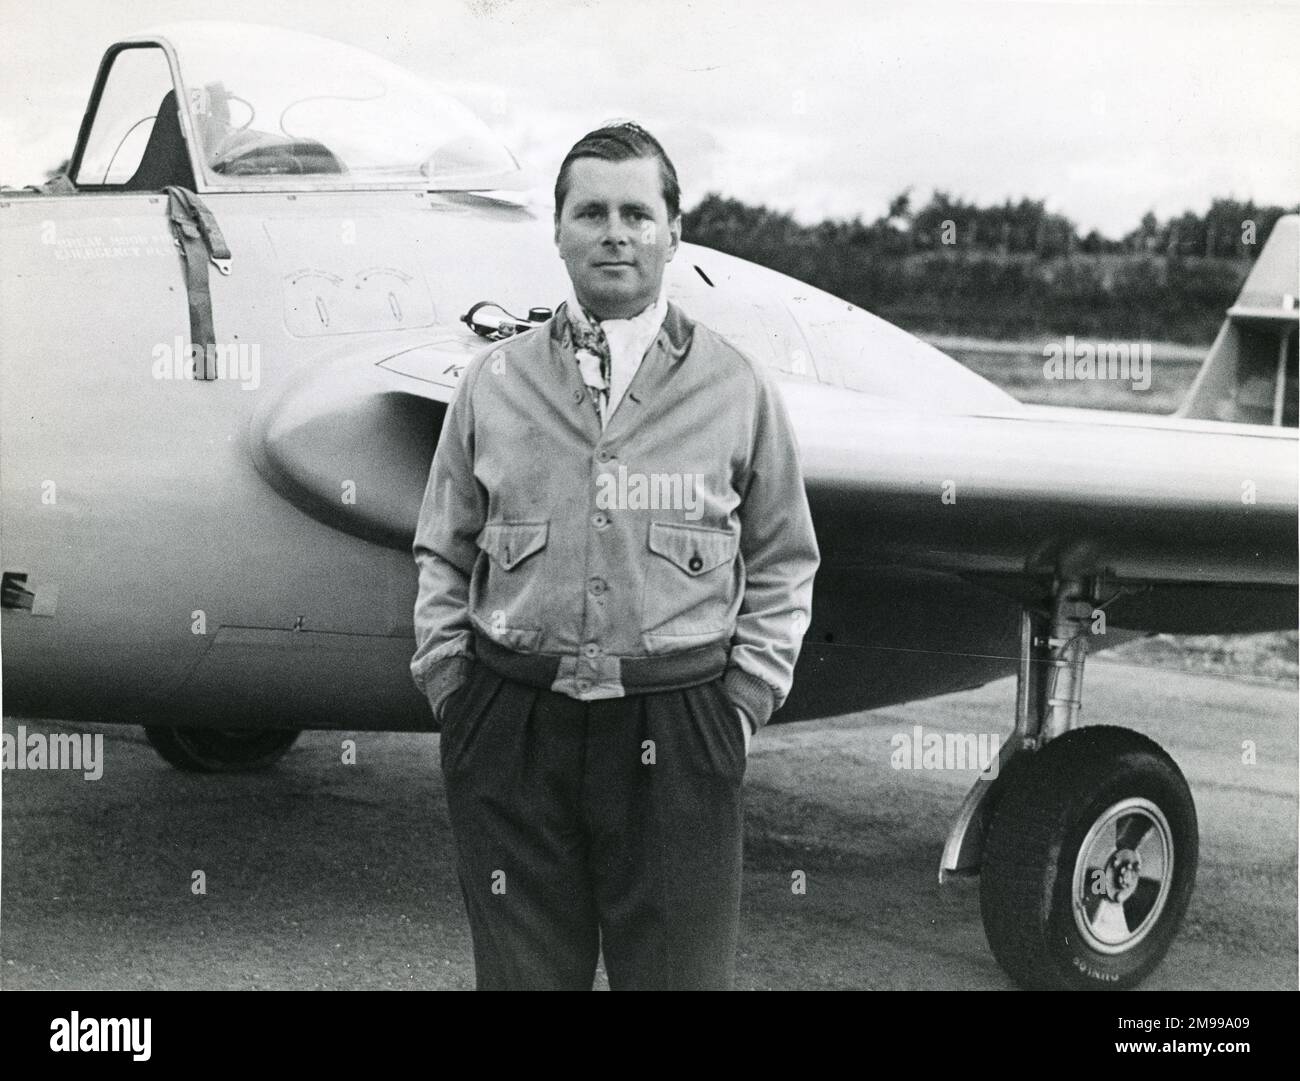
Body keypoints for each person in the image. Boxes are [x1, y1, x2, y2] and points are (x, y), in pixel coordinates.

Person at [410, 121, 819, 990]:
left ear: (675, 232)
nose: (615, 231)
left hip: (676, 728)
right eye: (590, 211)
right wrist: (454, 686)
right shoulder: (493, 383)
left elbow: (784, 558)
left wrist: (741, 702)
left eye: (638, 212)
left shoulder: (736, 388)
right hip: (512, 724)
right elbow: (442, 550)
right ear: (557, 231)